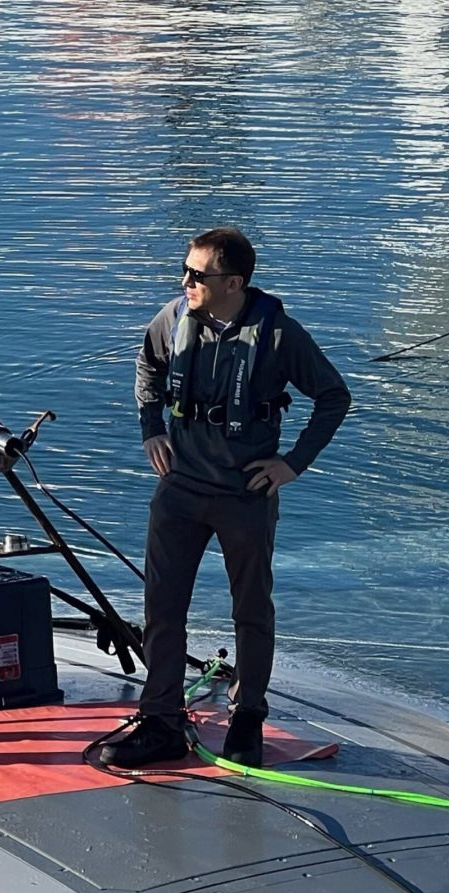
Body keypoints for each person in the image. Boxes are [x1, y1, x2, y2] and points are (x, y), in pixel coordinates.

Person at [100, 227, 351, 769]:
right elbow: (147, 367)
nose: (185, 282)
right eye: (184, 272)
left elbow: (334, 397)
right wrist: (151, 429)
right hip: (181, 490)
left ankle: (248, 716)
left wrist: (292, 464)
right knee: (162, 607)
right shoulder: (173, 319)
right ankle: (161, 717)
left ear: (233, 282)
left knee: (251, 609)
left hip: (245, 494)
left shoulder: (281, 336)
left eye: (197, 275)